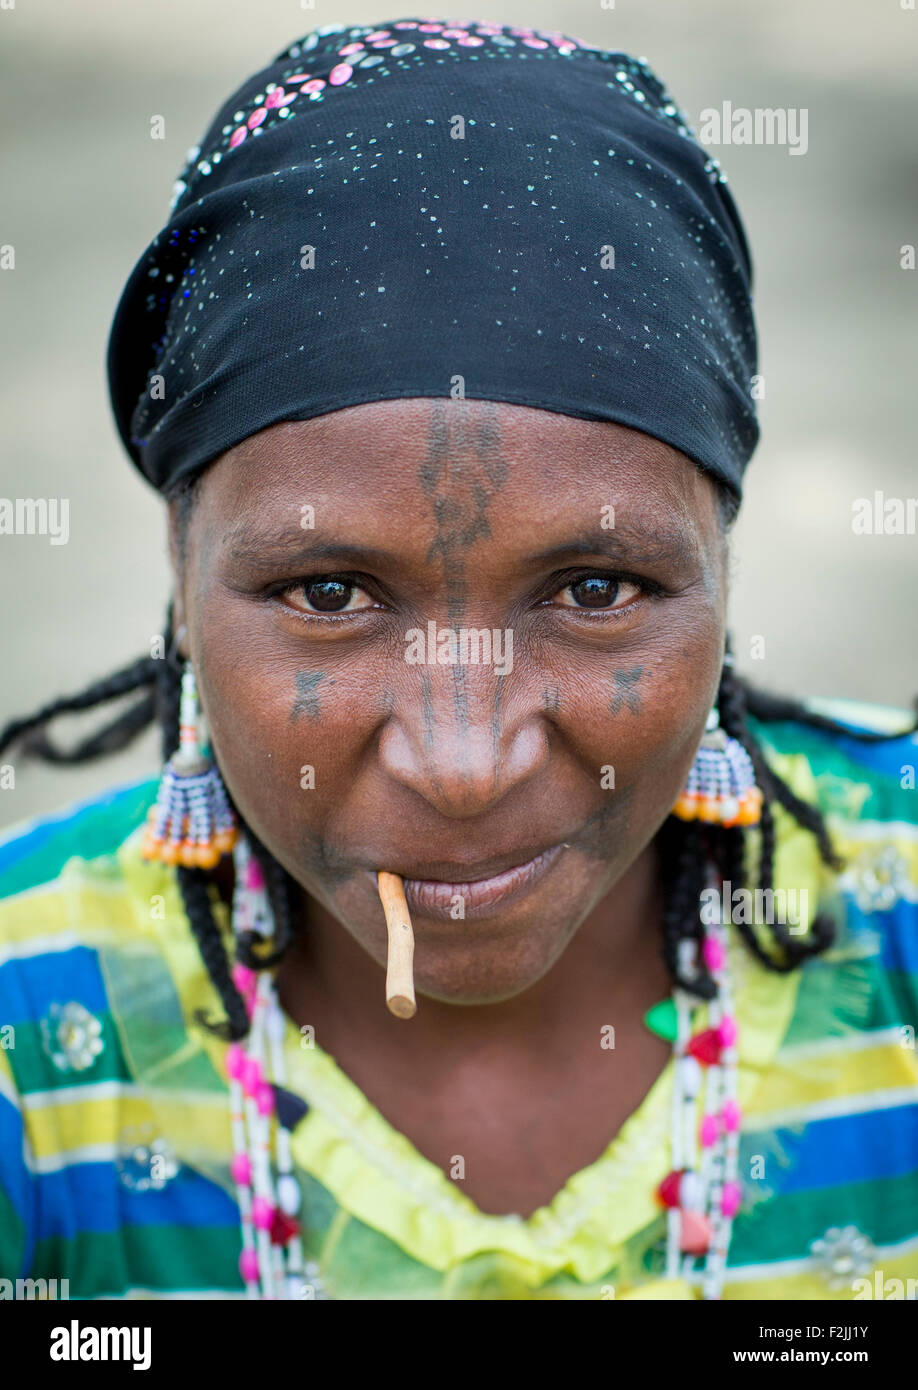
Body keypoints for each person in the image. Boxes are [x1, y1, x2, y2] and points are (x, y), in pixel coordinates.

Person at [1, 16, 916, 1303]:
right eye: (330, 592)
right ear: (180, 558)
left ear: (723, 551)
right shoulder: (29, 1037)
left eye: (595, 588)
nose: (467, 764)